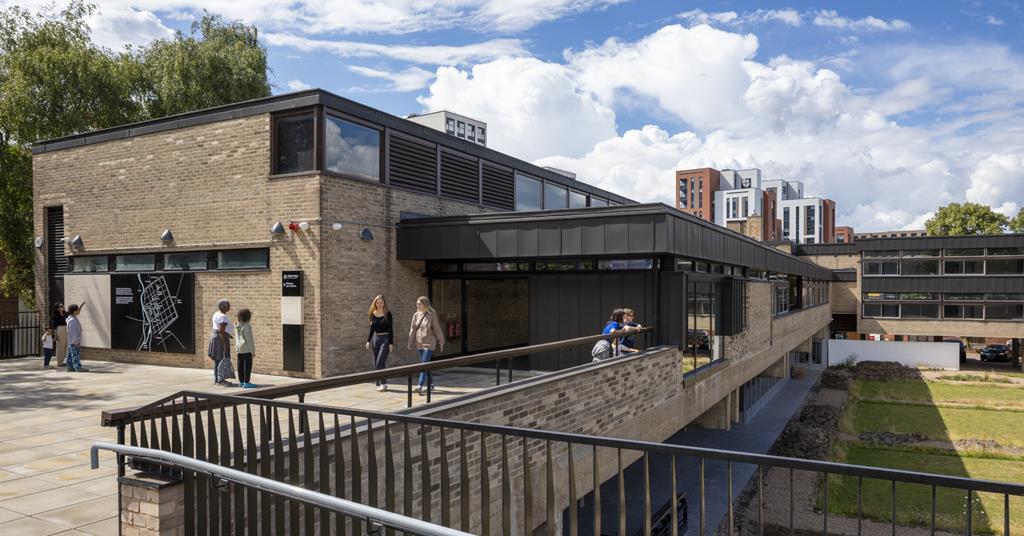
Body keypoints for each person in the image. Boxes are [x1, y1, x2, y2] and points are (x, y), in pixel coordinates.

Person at [407, 296, 444, 395]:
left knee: (423, 364)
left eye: (419, 304)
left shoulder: (432, 315)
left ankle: (420, 385)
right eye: (417, 304)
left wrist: (441, 341)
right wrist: (410, 342)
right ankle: (431, 384)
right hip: (419, 343)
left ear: (425, 304)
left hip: (429, 342)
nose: (417, 305)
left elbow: (437, 329)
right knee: (425, 364)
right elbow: (412, 330)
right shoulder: (416, 315)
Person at [365, 295, 394, 392]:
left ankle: (383, 383)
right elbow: (371, 329)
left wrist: (391, 343)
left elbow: (391, 329)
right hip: (375, 339)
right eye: (378, 302)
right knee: (376, 362)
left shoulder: (387, 314)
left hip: (385, 339)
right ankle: (382, 383)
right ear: (375, 303)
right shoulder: (372, 314)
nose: (379, 304)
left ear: (384, 303)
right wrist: (368, 341)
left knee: (379, 362)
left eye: (381, 302)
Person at [207, 299, 235, 386]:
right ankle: (220, 380)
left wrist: (228, 335)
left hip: (216, 337)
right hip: (220, 339)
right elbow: (221, 331)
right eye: (228, 305)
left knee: (218, 360)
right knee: (220, 359)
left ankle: (217, 379)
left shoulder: (216, 313)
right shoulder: (223, 317)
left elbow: (220, 329)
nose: (229, 307)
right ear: (224, 307)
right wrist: (225, 344)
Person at [235, 308, 256, 388]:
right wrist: (252, 351)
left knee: (240, 366)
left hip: (239, 348)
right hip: (246, 349)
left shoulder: (236, 324)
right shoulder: (247, 326)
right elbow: (249, 340)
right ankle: (246, 382)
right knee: (247, 366)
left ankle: (241, 382)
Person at [64, 303, 87, 372]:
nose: (79, 311)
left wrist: (81, 306)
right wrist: (76, 341)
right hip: (74, 341)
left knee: (71, 354)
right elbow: (72, 332)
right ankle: (78, 367)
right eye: (78, 310)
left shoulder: (73, 318)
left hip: (72, 341)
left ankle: (70, 366)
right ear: (74, 311)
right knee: (75, 354)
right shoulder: (72, 320)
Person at [51, 303, 68, 367]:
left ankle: (63, 360)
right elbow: (54, 326)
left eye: (63, 305)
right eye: (61, 306)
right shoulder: (55, 316)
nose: (63, 307)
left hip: (66, 330)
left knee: (65, 346)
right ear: (57, 308)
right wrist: (55, 335)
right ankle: (59, 362)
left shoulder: (66, 314)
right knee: (60, 346)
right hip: (60, 330)